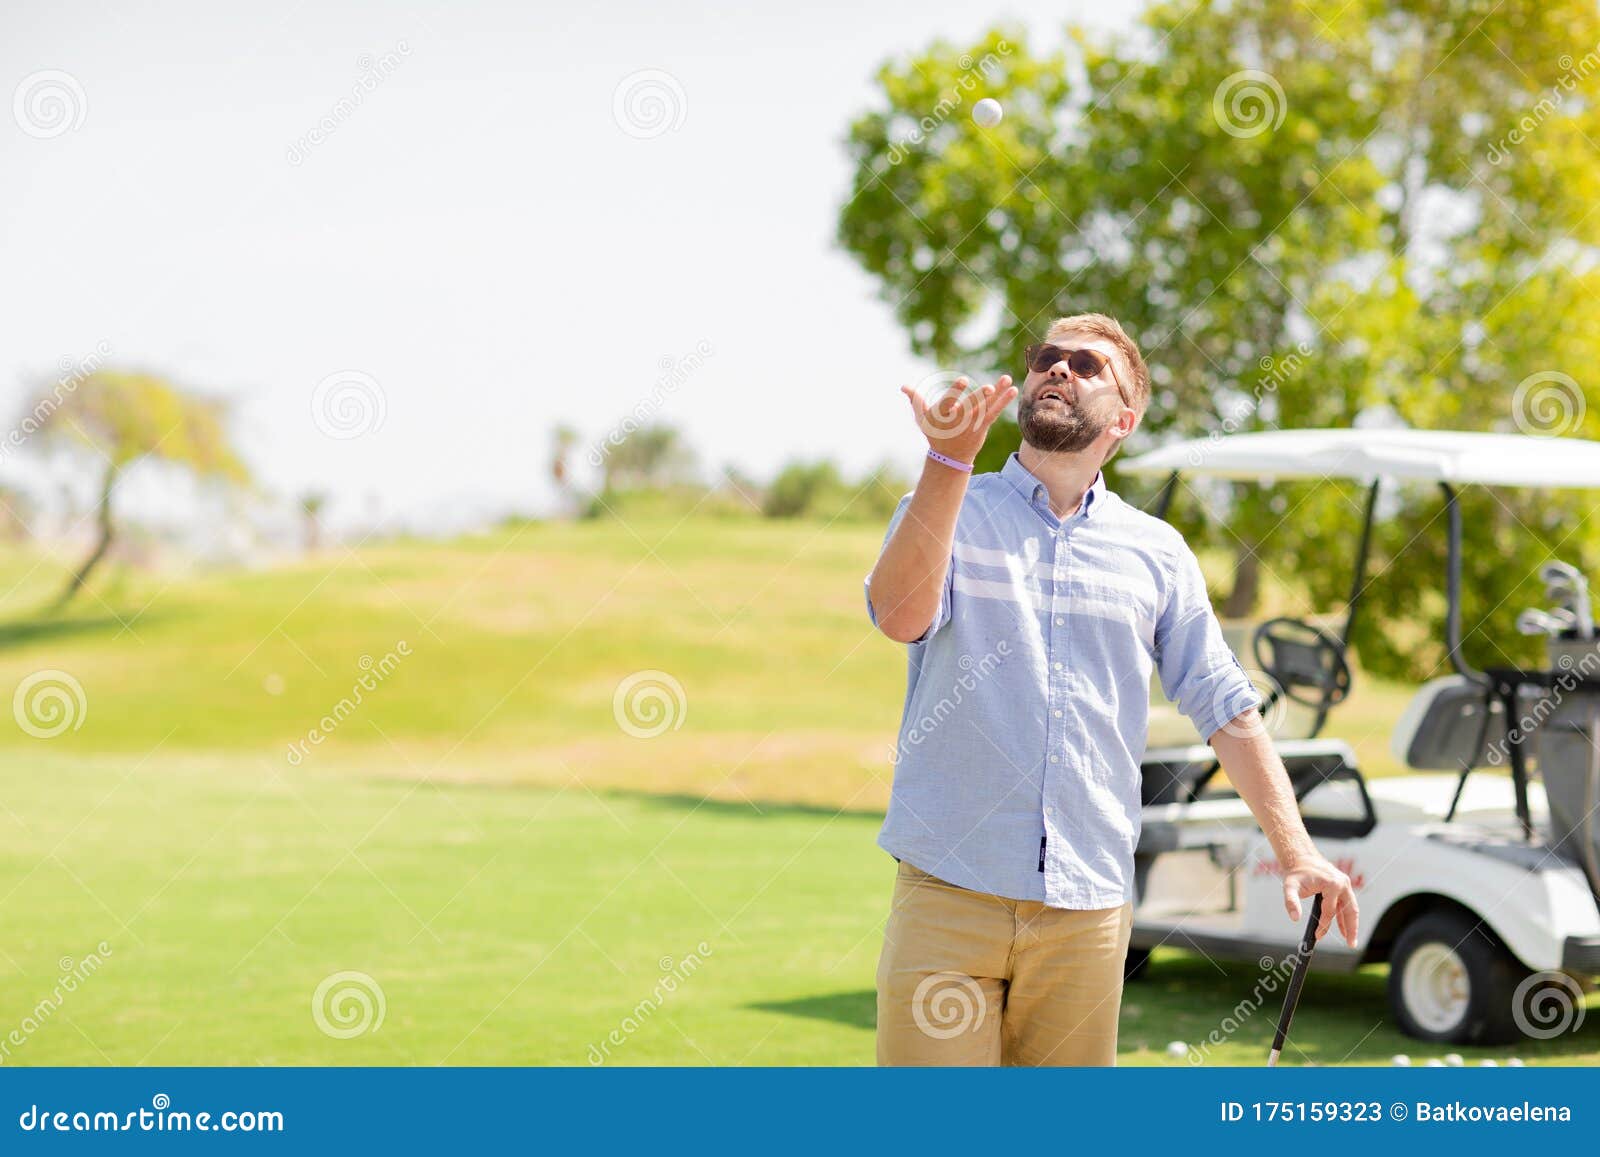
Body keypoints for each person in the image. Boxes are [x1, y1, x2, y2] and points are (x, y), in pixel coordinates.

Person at [865, 312, 1359, 1066]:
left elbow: (1225, 703)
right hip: (949, 891)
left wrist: (1296, 852)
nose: (1057, 369)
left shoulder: (1156, 552)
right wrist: (944, 463)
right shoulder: (949, 505)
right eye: (1046, 357)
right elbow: (899, 617)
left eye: (1087, 365)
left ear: (1123, 419)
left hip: (1089, 910)